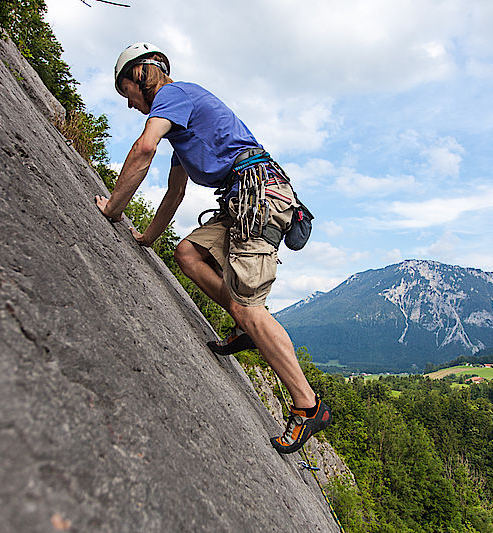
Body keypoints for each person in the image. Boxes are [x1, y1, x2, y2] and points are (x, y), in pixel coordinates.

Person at [94, 42, 331, 454]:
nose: (130, 106)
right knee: (188, 254)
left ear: (141, 75)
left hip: (259, 198)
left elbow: (143, 148)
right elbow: (175, 190)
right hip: (243, 199)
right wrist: (147, 238)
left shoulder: (172, 97)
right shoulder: (181, 121)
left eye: (126, 93)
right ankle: (243, 327)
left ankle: (308, 406)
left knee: (249, 305)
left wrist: (113, 209)